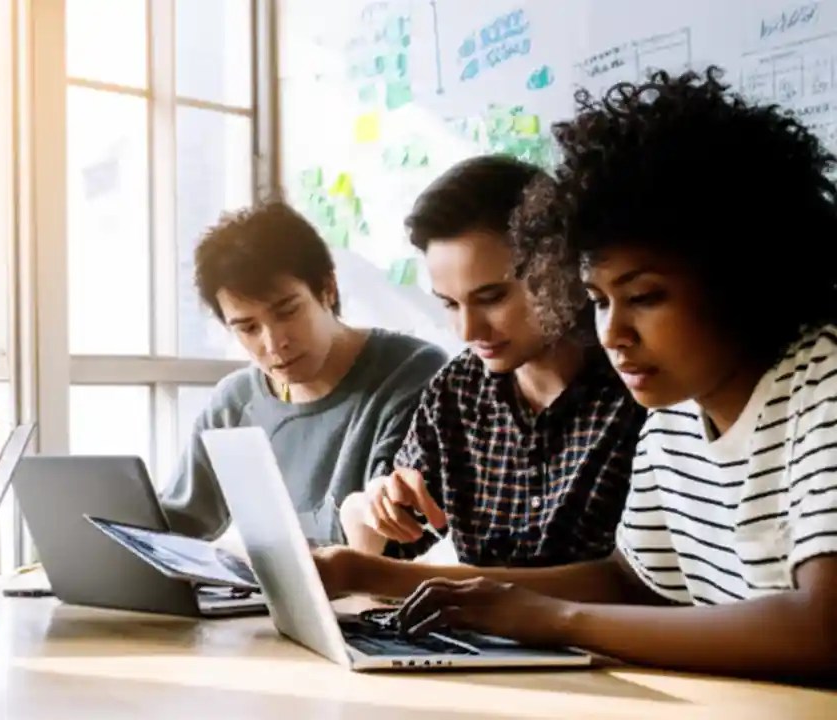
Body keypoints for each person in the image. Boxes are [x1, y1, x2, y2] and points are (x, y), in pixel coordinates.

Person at [313, 68, 837, 684]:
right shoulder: (672, 415)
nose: (614, 334)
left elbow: (824, 630)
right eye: (599, 299)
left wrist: (554, 618)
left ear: (745, 275)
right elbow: (631, 581)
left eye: (644, 297)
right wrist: (377, 573)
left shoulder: (820, 380)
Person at [338, 155, 646, 567]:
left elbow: (639, 586)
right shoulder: (459, 388)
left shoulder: (638, 381)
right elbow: (389, 545)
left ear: (560, 269)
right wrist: (374, 503)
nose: (468, 331)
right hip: (472, 629)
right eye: (449, 304)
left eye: (491, 298)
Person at [162, 201, 448, 546]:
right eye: (248, 328)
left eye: (288, 312)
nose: (274, 343)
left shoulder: (413, 372)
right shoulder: (235, 402)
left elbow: (390, 530)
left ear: (327, 289)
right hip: (262, 595)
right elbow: (175, 525)